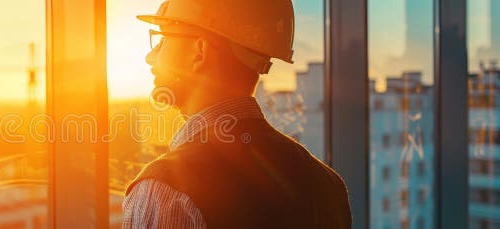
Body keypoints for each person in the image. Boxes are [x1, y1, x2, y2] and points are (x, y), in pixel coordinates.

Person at [122, 0, 352, 228]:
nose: (150, 56)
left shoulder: (164, 191)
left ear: (198, 51)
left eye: (163, 40)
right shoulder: (327, 185)